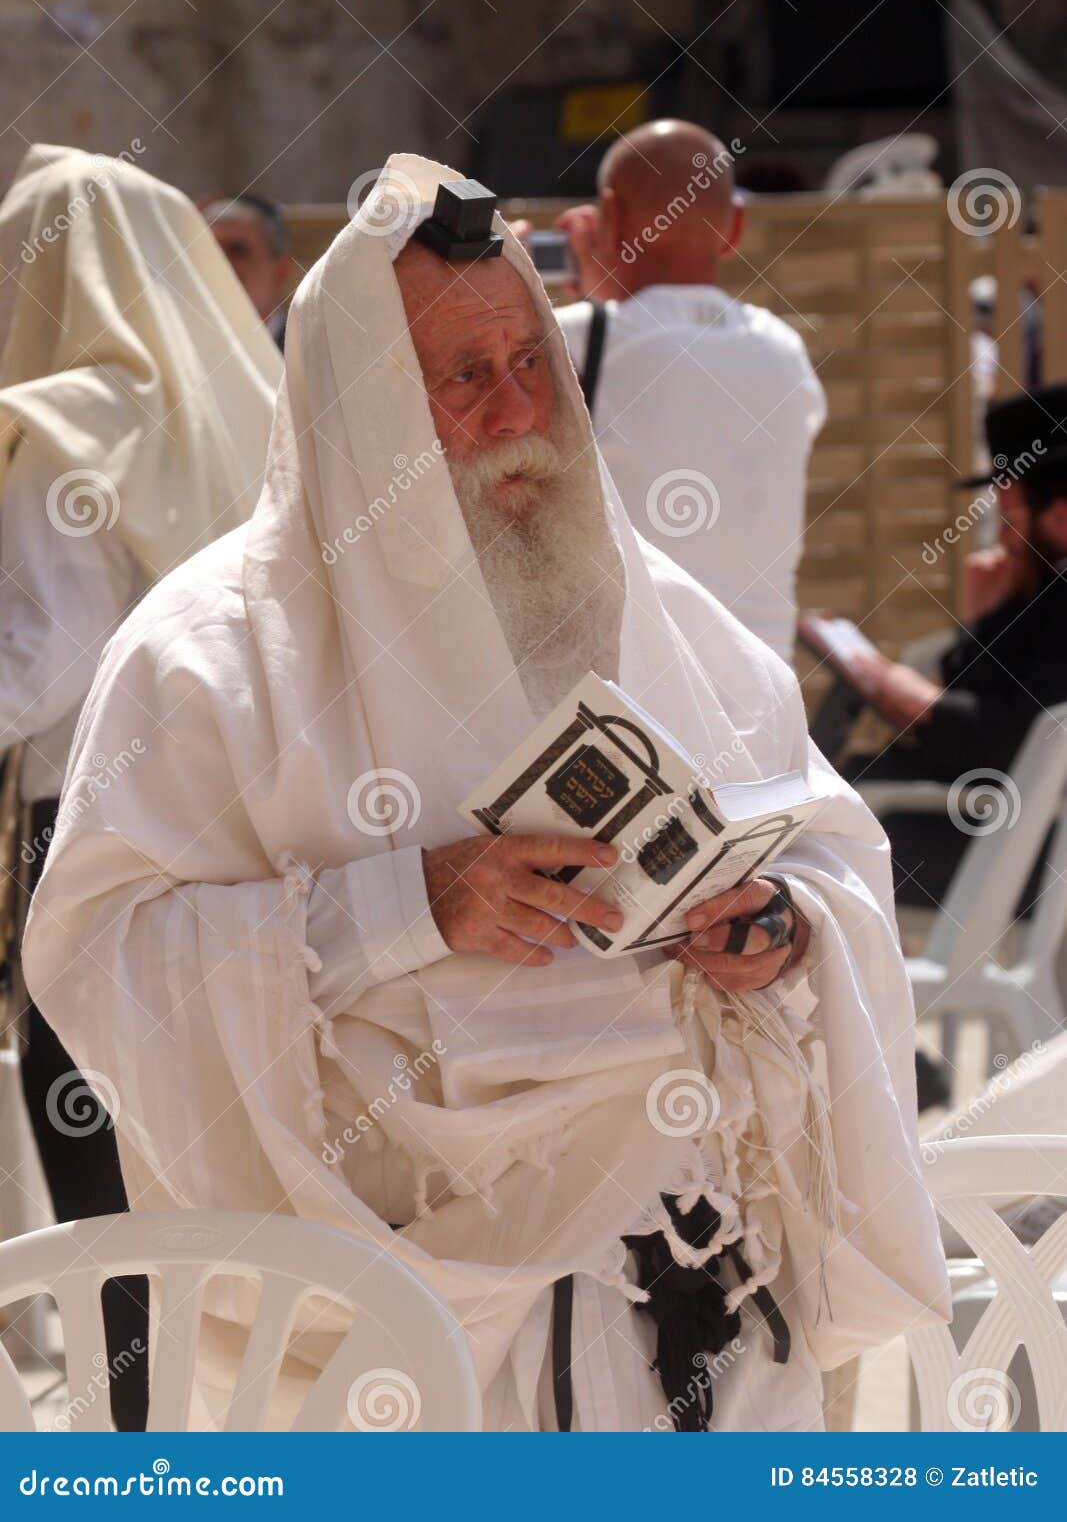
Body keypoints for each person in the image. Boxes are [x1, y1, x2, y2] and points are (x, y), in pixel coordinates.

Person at [24, 154, 947, 1433]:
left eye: (529, 361)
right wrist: (403, 907)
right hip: (391, 1356)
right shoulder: (212, 654)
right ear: (360, 406)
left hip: (708, 1312)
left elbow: (829, 859)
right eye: (461, 377)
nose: (516, 410)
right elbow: (99, 955)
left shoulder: (659, 609)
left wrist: (780, 926)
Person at [0, 143, 280, 1429]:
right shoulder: (254, 408)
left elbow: (31, 665)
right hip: (263, 856)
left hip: (94, 866)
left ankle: (139, 1461)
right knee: (241, 1189)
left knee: (111, 1208)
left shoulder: (58, 431)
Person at [552, 120, 826, 664]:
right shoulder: (784, 349)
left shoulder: (570, 342)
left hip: (636, 695)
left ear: (611, 215)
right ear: (737, 226)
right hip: (763, 687)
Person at [846, 386, 1067, 911]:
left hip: (1013, 852)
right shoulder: (1038, 593)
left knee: (817, 853)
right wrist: (987, 617)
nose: (1004, 529)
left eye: (1013, 509)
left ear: (1058, 512)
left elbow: (1006, 740)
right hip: (990, 832)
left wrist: (906, 695)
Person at [203, 192, 294, 349]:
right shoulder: (175, 353)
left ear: (281, 271)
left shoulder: (312, 352)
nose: (221, 263)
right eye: (211, 251)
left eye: (237, 250)